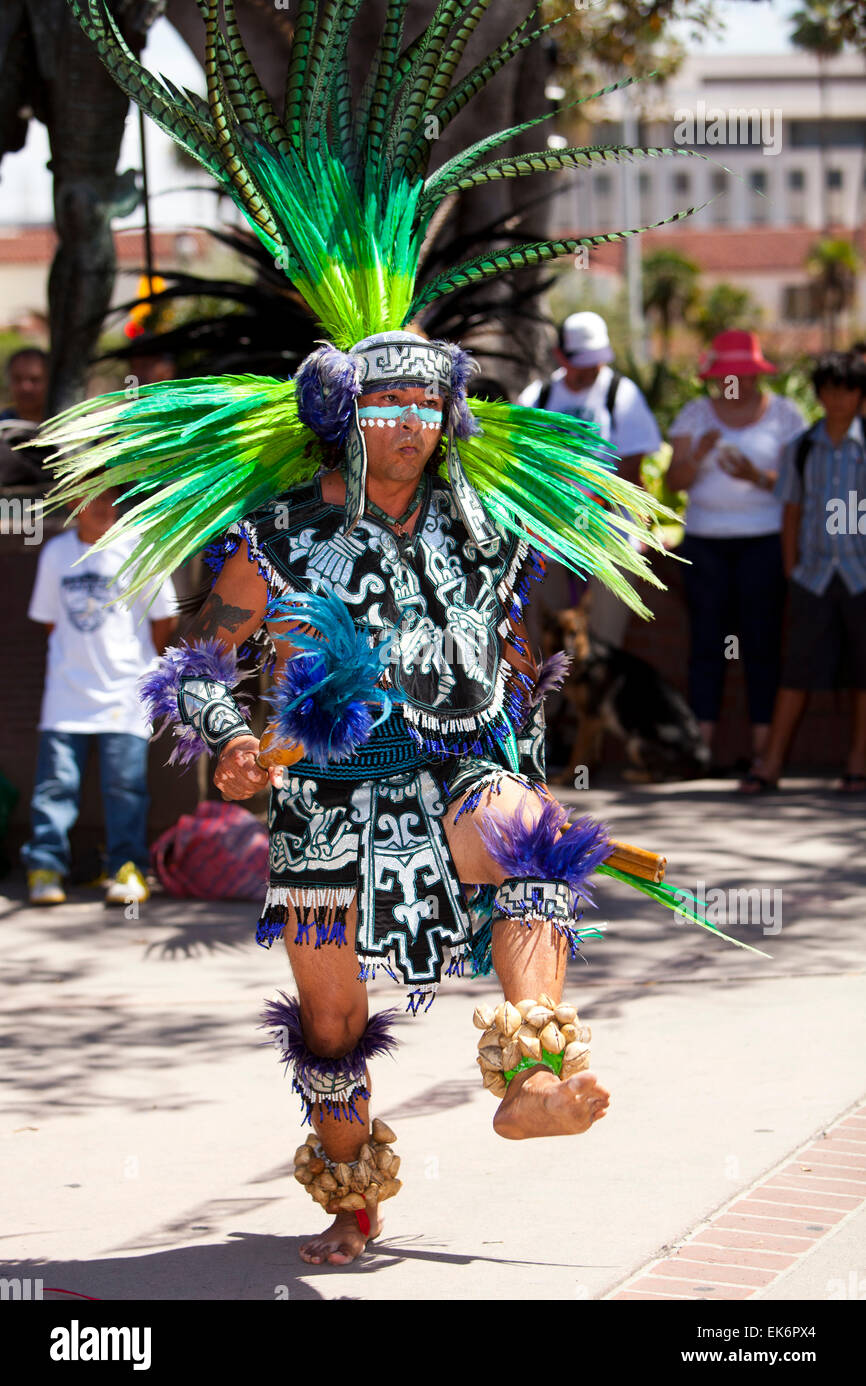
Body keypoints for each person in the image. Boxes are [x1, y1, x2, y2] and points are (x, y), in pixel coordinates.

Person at [40, 1, 745, 1269]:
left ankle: (531, 1074)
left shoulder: (483, 522)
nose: (408, 431)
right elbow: (197, 662)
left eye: (425, 411)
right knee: (328, 1016)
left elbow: (541, 617)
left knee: (532, 838)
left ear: (449, 420)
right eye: (384, 413)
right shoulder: (278, 537)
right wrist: (233, 747)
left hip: (461, 759)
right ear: (340, 419)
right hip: (328, 799)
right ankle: (352, 1198)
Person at [22, 483, 178, 905]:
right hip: (65, 693)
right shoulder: (55, 553)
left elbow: (163, 620)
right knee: (55, 786)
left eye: (112, 496)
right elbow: (51, 622)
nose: (106, 506)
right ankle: (45, 869)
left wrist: (137, 666)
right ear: (74, 502)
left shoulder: (140, 547)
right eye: (95, 497)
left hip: (125, 695)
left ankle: (126, 869)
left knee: (125, 787)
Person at [667, 330, 806, 767]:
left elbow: (801, 486)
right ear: (715, 377)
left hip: (763, 543)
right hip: (706, 543)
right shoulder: (694, 415)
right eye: (728, 374)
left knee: (761, 644)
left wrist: (757, 476)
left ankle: (765, 749)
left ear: (757, 374)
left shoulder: (785, 415)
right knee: (708, 642)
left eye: (744, 374)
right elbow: (673, 482)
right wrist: (698, 454)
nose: (737, 382)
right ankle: (701, 749)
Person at [739, 351, 866, 793]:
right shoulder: (803, 446)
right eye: (828, 390)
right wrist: (792, 568)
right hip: (813, 576)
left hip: (861, 575)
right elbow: (792, 510)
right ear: (819, 394)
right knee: (795, 672)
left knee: (862, 673)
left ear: (859, 393)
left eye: (846, 389)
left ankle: (857, 762)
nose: (837, 399)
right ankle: (770, 763)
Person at [519, 312, 662, 647]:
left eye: (596, 361)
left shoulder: (621, 395)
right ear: (560, 356)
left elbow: (629, 473)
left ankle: (595, 699)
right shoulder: (536, 398)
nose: (590, 370)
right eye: (582, 362)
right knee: (544, 644)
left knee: (601, 644)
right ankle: (549, 702)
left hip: (610, 537)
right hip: (547, 541)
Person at [1, 347, 48, 423]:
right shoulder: (3, 424)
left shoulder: (66, 427)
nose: (25, 387)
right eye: (17, 379)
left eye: (34, 379)